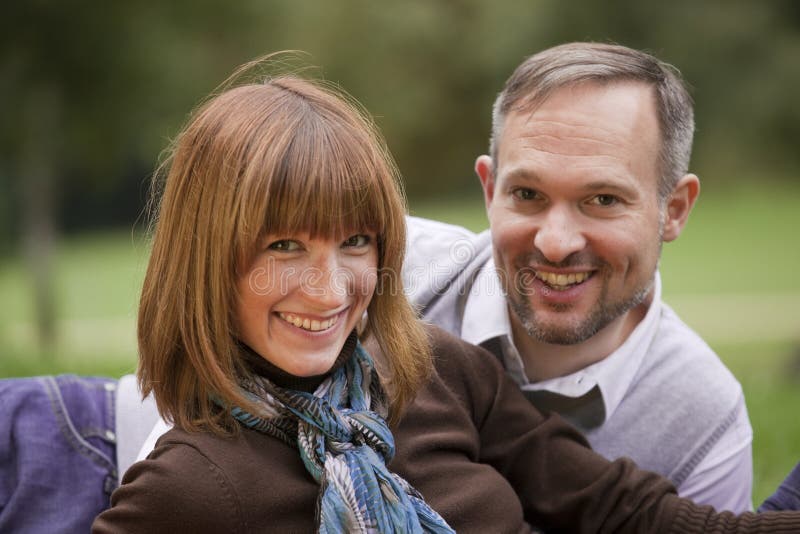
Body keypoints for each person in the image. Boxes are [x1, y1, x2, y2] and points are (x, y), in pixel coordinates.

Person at [88, 56, 800, 533]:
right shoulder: (188, 488)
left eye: (356, 241)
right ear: (208, 260)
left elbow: (626, 511)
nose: (330, 289)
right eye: (283, 247)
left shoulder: (431, 368)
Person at [403, 42, 752, 512]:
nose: (556, 243)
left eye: (603, 200)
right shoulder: (376, 273)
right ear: (489, 190)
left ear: (673, 209)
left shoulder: (703, 423)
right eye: (527, 194)